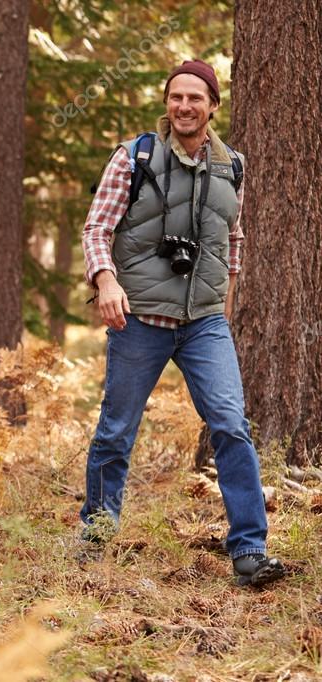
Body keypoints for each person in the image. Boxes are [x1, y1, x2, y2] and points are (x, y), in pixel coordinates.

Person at [81, 59, 284, 587]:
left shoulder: (232, 165)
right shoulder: (135, 156)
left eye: (197, 98)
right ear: (167, 103)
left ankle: (248, 549)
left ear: (214, 106)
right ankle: (98, 535)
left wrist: (225, 304)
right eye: (177, 97)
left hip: (204, 324)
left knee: (231, 425)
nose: (185, 106)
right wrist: (105, 282)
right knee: (116, 430)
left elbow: (232, 239)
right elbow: (96, 228)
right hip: (140, 318)